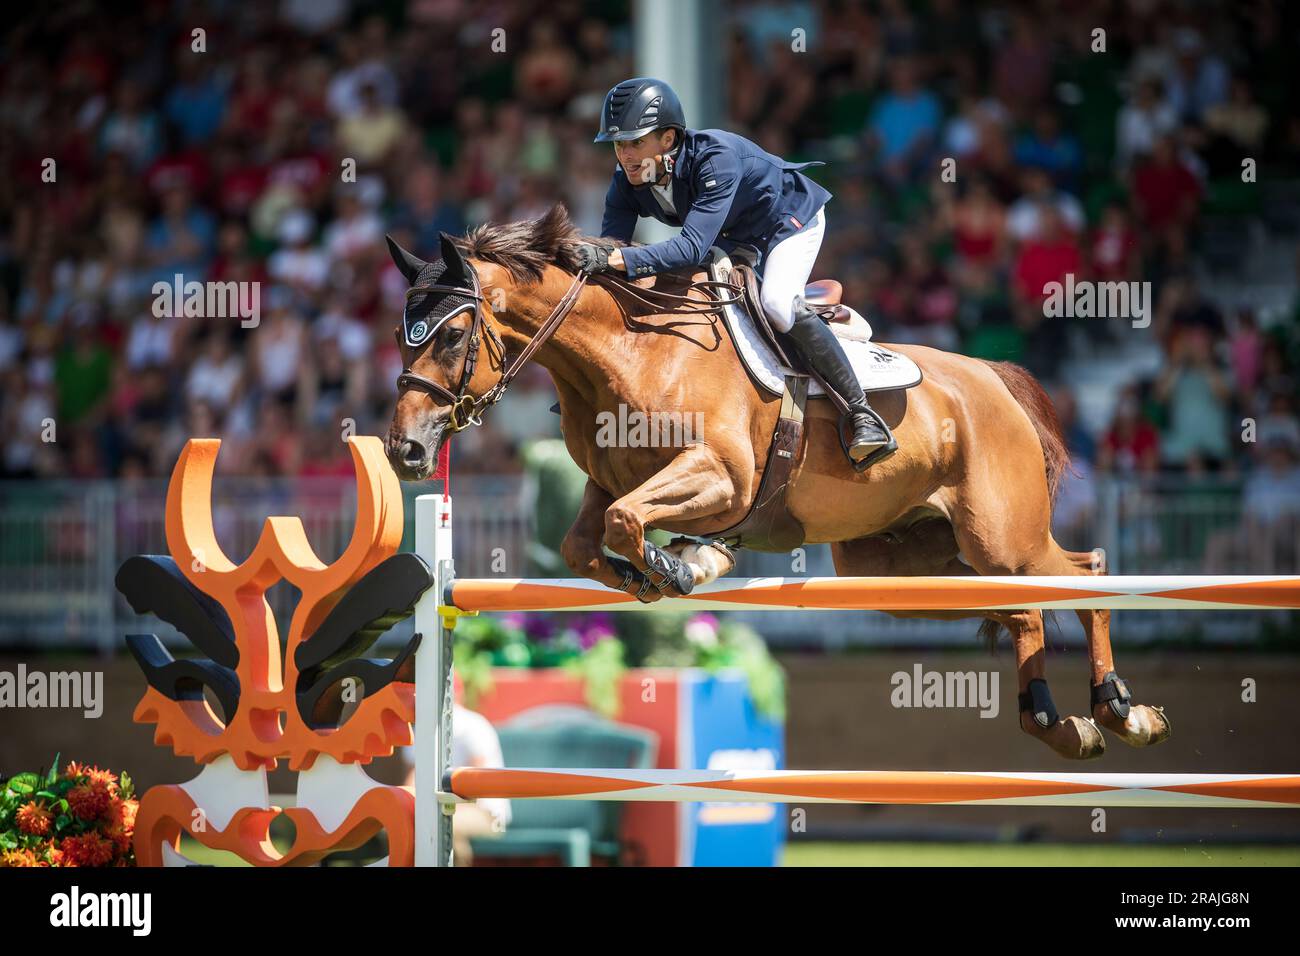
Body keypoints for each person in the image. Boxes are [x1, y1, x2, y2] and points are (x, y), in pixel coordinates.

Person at [573, 77, 896, 469]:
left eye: (635, 142)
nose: (625, 155)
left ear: (668, 138)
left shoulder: (716, 158)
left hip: (787, 221)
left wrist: (616, 260)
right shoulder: (626, 180)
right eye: (618, 144)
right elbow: (612, 252)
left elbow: (689, 248)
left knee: (777, 304)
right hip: (732, 235)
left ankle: (862, 413)